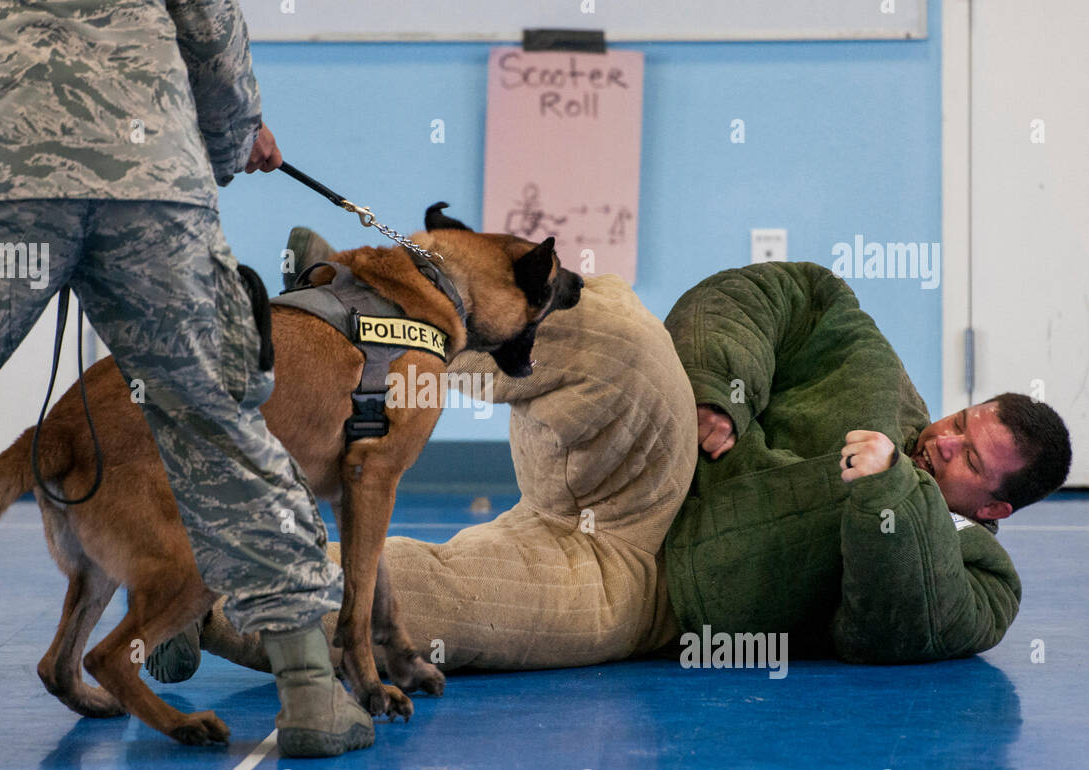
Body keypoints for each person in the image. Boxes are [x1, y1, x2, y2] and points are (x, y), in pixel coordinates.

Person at [0, 0, 370, 770]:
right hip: (153, 177)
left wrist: (1, 97)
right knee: (221, 420)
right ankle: (311, 690)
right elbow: (211, 26)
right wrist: (222, 140)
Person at [184, 251, 1071, 676]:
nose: (942, 440)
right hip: (658, 463)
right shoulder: (879, 375)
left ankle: (200, 593)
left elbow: (896, 628)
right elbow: (776, 294)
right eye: (961, 420)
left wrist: (893, 491)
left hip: (647, 594)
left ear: (992, 512)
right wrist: (723, 390)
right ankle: (347, 339)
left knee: (436, 611)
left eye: (969, 459)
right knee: (611, 328)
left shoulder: (982, 579)